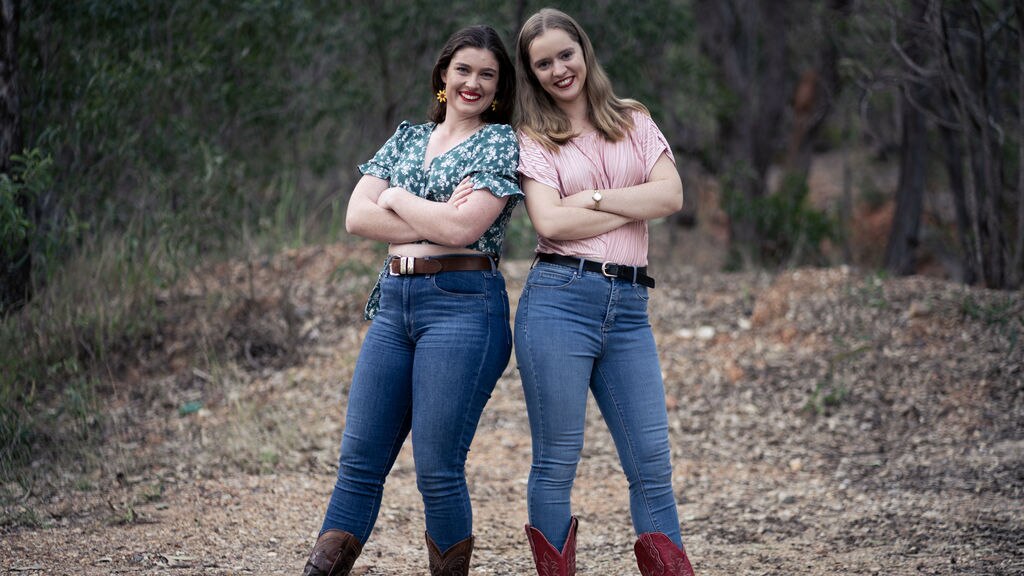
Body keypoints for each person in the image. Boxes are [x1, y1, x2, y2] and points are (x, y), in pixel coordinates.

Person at [301, 25, 521, 576]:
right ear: (444, 75)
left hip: (464, 305)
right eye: (464, 70)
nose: (473, 83)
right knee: (358, 462)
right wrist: (430, 215)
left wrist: (396, 197)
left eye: (487, 75)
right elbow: (356, 217)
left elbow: (464, 228)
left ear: (499, 88)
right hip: (395, 301)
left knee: (438, 468)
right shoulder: (405, 137)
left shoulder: (499, 142)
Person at [513, 8, 696, 576]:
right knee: (557, 462)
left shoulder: (634, 119)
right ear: (532, 73)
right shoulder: (533, 137)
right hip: (557, 304)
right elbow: (550, 225)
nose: (558, 69)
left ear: (584, 51)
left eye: (565, 54)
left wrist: (590, 199)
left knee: (650, 462)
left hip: (630, 310)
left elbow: (669, 198)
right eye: (542, 63)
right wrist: (628, 198)